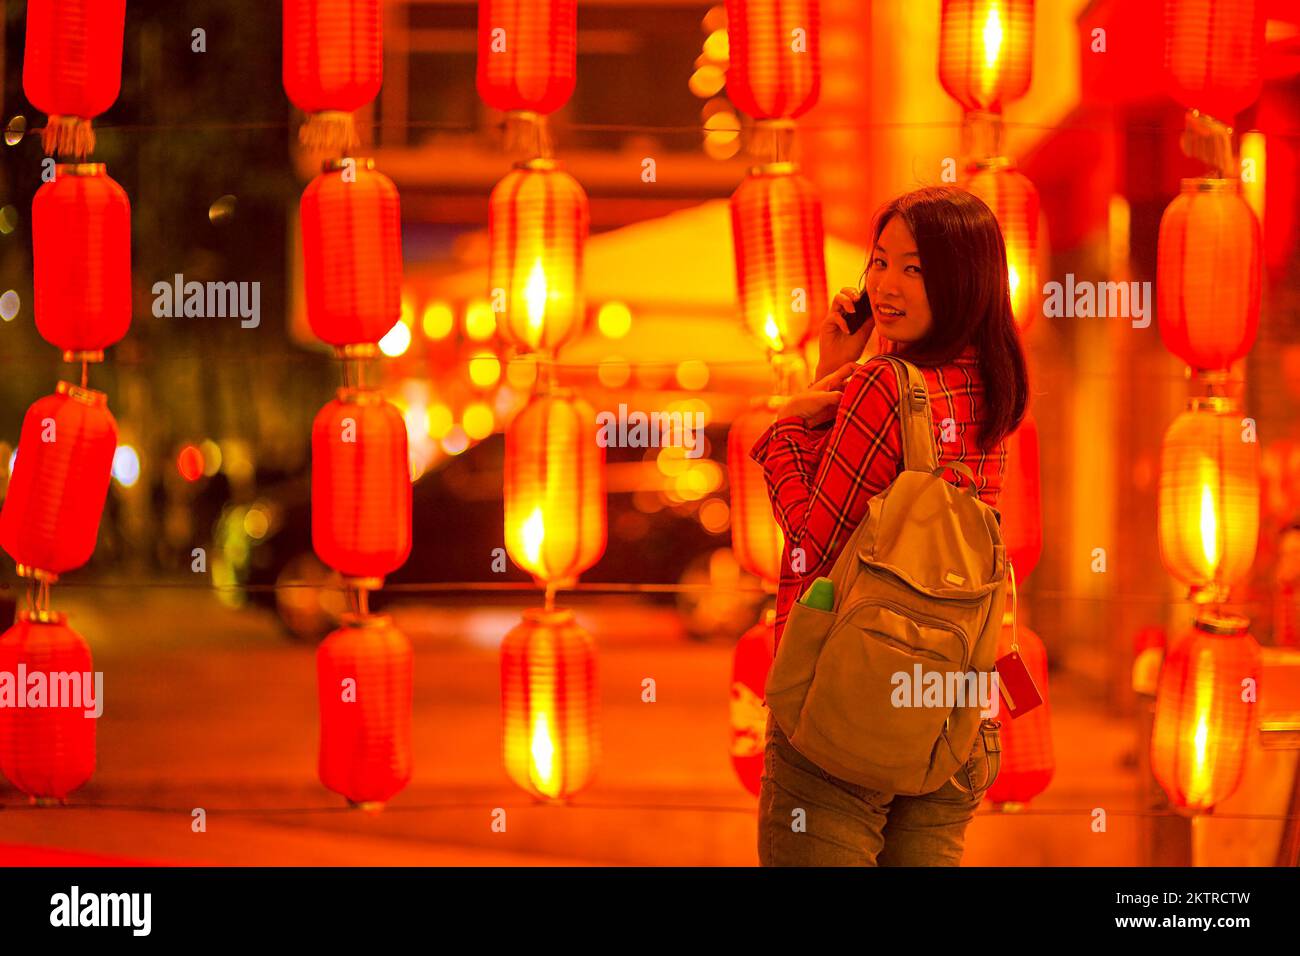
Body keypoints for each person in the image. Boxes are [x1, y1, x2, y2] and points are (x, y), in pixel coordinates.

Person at [749, 185, 1030, 866]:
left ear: (963, 280)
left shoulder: (883, 385)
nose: (885, 286)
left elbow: (814, 542)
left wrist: (785, 427)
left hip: (850, 699)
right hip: (959, 705)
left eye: (915, 268)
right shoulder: (993, 384)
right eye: (879, 262)